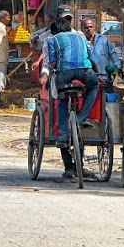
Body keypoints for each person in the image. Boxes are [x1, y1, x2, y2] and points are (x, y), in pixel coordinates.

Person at [43, 13, 99, 178]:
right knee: (93, 86)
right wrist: (95, 73)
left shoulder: (52, 40)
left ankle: (62, 134)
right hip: (85, 72)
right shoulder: (80, 37)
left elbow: (51, 63)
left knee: (62, 99)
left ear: (53, 32)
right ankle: (81, 118)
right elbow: (91, 57)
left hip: (64, 74)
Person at [81, 16, 120, 82]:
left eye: (91, 27)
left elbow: (112, 53)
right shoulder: (80, 41)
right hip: (88, 78)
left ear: (94, 27)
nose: (89, 29)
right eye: (86, 27)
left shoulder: (103, 39)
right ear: (82, 29)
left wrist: (118, 67)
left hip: (104, 76)